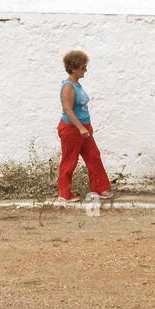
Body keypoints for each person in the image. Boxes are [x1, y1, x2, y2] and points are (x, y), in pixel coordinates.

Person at [56, 49, 111, 202]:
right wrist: (80, 127)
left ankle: (99, 189)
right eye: (82, 67)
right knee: (69, 160)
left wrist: (84, 128)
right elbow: (67, 109)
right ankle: (64, 194)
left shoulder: (77, 84)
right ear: (74, 68)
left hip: (84, 129)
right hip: (72, 129)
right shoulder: (68, 86)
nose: (85, 69)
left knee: (93, 156)